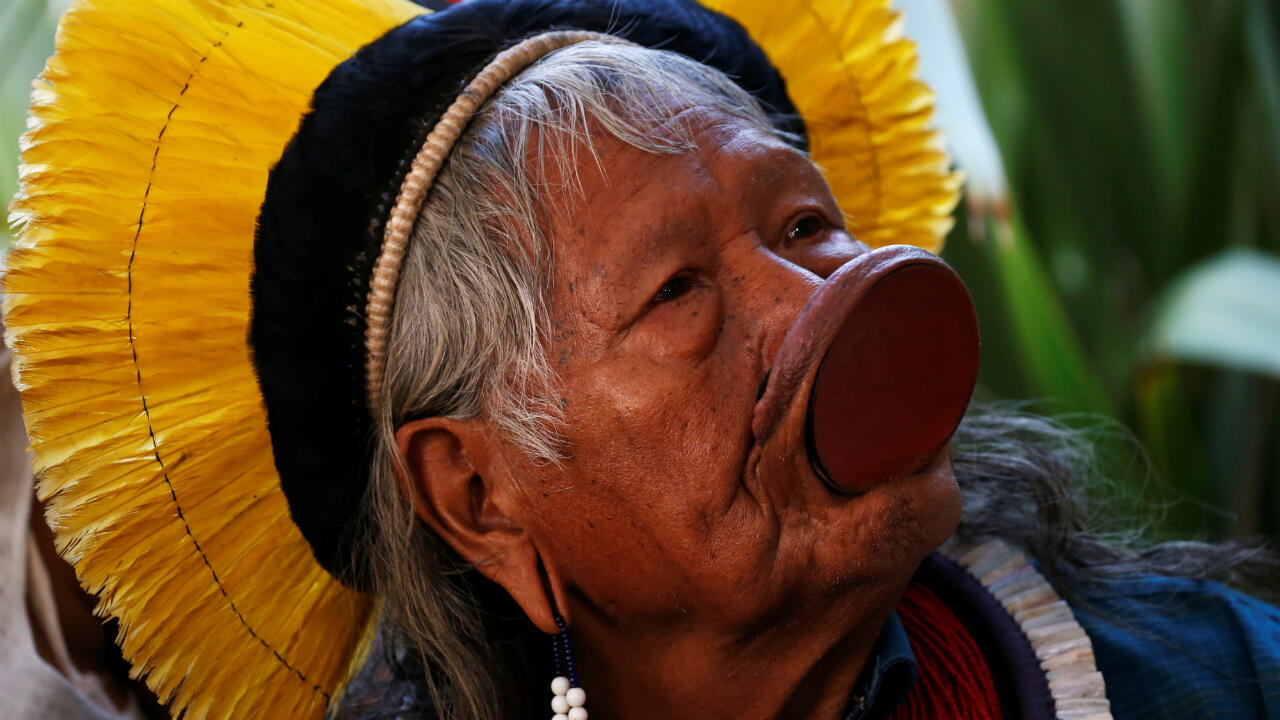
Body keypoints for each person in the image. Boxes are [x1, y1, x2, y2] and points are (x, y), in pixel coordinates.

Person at [4, 1, 1277, 719]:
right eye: (677, 290)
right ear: (480, 497)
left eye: (806, 224)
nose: (820, 292)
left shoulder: (1211, 682)